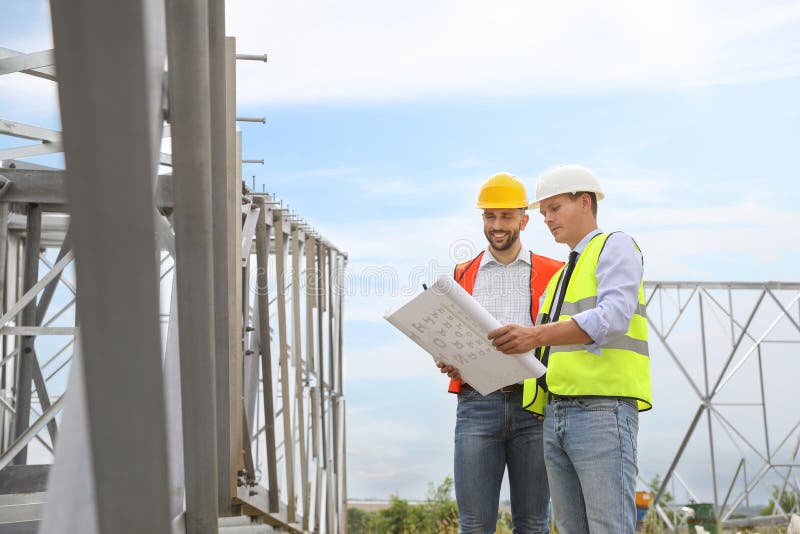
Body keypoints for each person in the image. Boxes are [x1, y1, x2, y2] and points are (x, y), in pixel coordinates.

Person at [488, 164, 652, 534]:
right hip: (556, 413)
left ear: (584, 202)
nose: (546, 218)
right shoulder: (562, 276)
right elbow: (544, 351)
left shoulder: (616, 246)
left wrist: (534, 336)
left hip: (601, 410)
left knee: (608, 526)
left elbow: (612, 318)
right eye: (543, 211)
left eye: (554, 208)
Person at [436, 172, 563, 534]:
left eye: (506, 216)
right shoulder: (463, 273)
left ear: (524, 220)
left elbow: (561, 339)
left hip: (534, 410)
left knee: (533, 523)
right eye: (490, 216)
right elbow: (452, 332)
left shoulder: (554, 272)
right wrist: (446, 356)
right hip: (477, 404)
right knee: (475, 525)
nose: (497, 225)